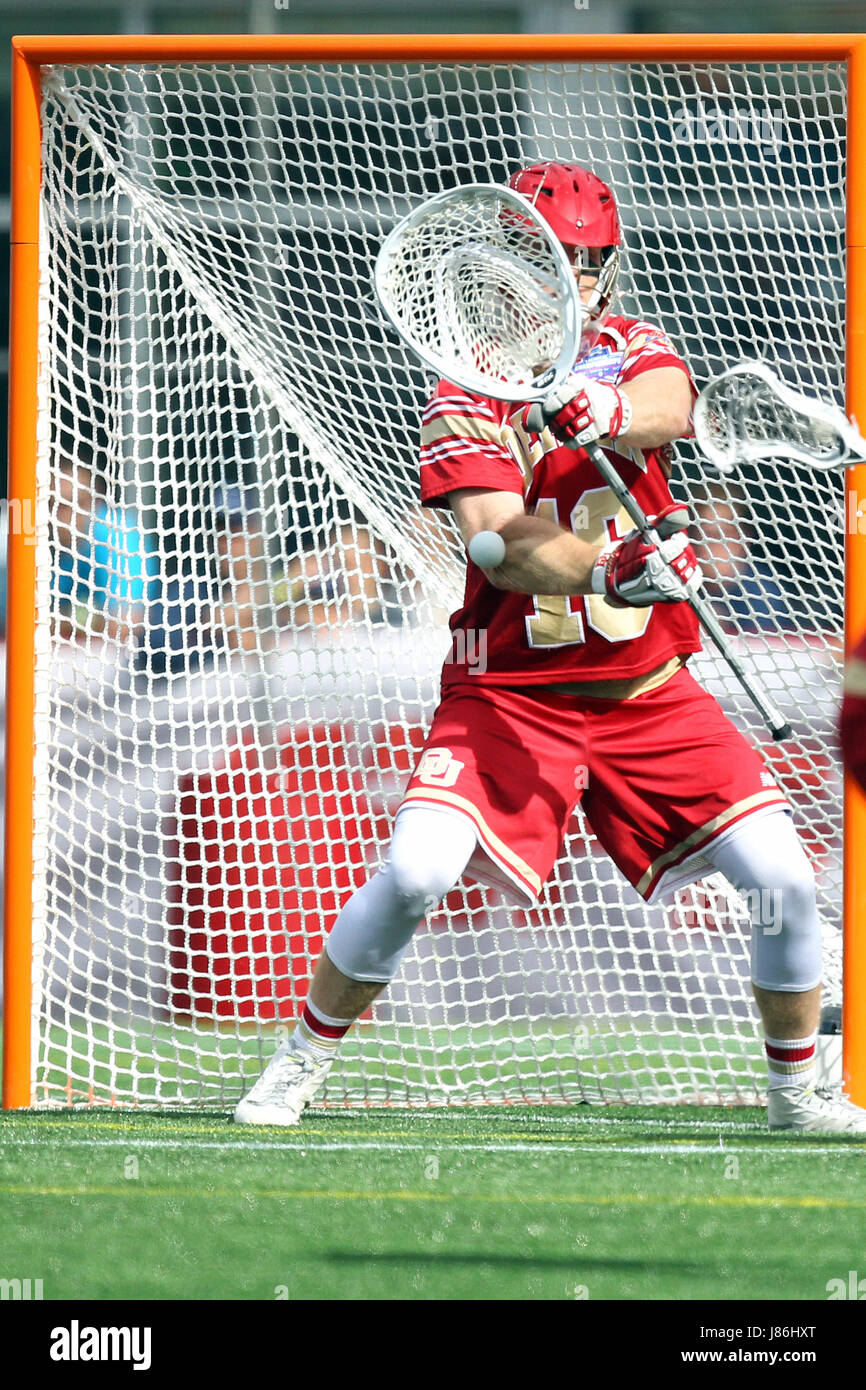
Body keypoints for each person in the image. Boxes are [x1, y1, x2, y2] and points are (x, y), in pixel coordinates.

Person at [235, 161, 863, 1133]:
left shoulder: (627, 347)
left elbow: (671, 398)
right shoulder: (462, 396)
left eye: (581, 260)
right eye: (545, 256)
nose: (565, 277)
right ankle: (296, 1063)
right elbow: (498, 541)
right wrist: (610, 572)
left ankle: (796, 1096)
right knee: (414, 872)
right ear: (504, 259)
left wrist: (602, 409)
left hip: (649, 691)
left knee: (781, 881)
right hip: (509, 699)